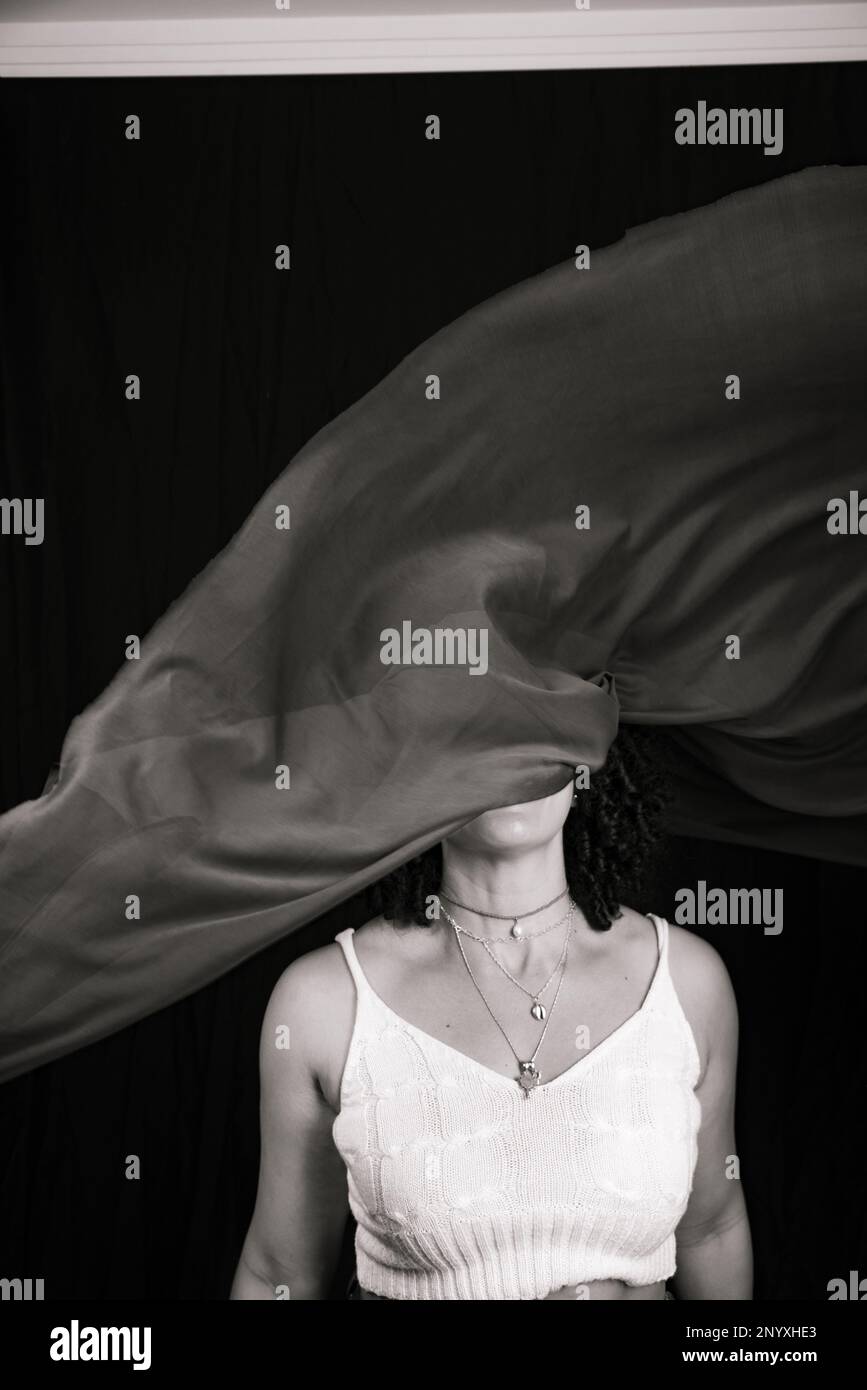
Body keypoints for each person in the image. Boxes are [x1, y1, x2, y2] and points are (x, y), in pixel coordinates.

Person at [230, 729, 752, 1300]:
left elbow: (712, 1229)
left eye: (543, 714)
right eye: (484, 721)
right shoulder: (323, 1002)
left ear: (589, 751)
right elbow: (279, 1273)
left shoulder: (686, 980)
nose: (514, 749)